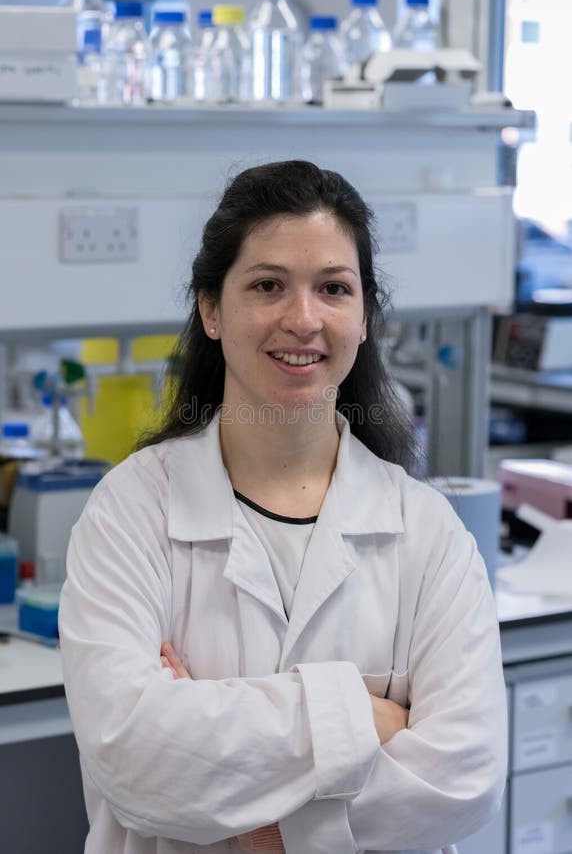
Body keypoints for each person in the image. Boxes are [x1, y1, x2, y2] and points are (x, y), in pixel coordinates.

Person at [59, 160, 507, 854]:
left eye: (333, 288)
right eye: (268, 285)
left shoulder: (426, 532)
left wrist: (269, 824)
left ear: (364, 317)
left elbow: (464, 778)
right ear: (212, 309)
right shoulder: (131, 512)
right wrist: (369, 719)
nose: (303, 319)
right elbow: (132, 757)